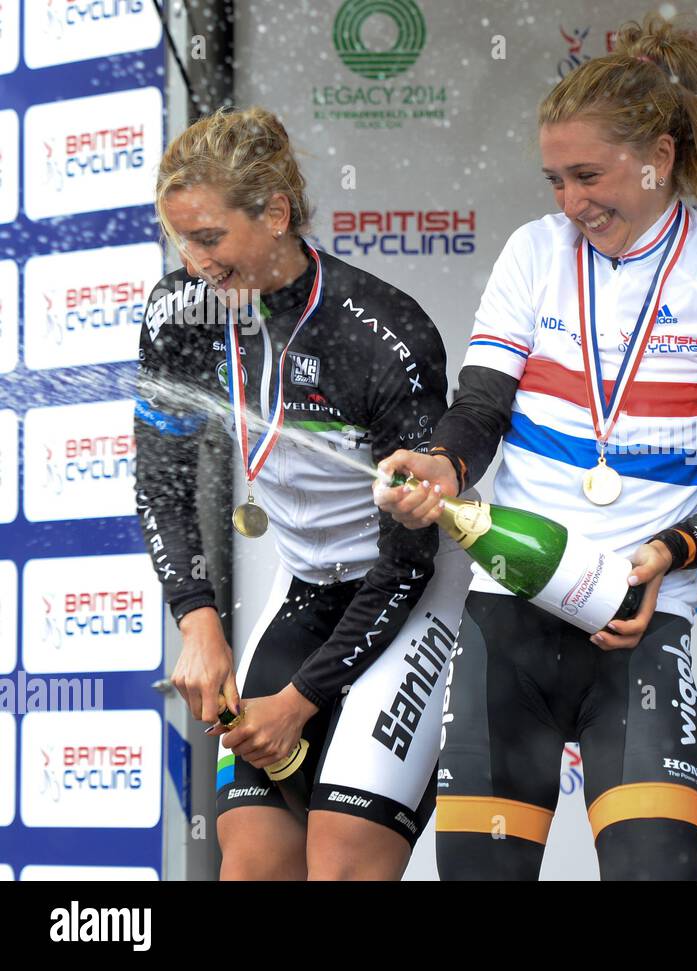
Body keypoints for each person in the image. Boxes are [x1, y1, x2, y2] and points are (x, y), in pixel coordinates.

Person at [374, 15, 697, 880]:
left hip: (639, 628)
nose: (572, 202)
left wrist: (667, 553)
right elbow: (482, 407)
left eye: (588, 175)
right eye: (555, 181)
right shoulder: (535, 254)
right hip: (509, 618)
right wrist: (444, 466)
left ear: (659, 155)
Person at [135, 106, 471, 880]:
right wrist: (197, 619)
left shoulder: (383, 330)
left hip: (408, 600)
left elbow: (409, 557)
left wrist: (299, 699)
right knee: (251, 862)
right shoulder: (181, 310)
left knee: (344, 862)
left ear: (277, 213)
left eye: (211, 237)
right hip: (307, 590)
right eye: (179, 237)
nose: (193, 261)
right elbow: (160, 476)